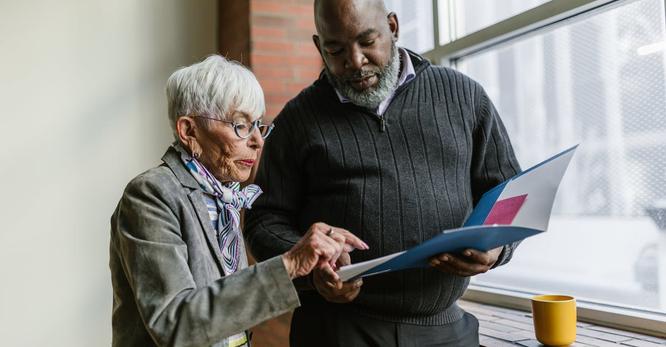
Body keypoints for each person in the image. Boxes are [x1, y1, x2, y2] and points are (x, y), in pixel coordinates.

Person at [244, 0, 522, 346]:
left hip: (446, 330)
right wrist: (311, 266)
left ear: (392, 27)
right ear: (319, 47)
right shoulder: (297, 121)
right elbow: (263, 220)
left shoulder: (465, 97)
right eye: (336, 49)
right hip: (336, 331)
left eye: (367, 42)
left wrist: (498, 248)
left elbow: (509, 193)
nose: (354, 62)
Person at [109, 55, 368, 347]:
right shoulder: (151, 195)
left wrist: (315, 269)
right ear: (189, 130)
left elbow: (228, 306)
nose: (258, 140)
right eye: (240, 125)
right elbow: (175, 324)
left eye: (258, 125)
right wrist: (291, 262)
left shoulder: (225, 196)